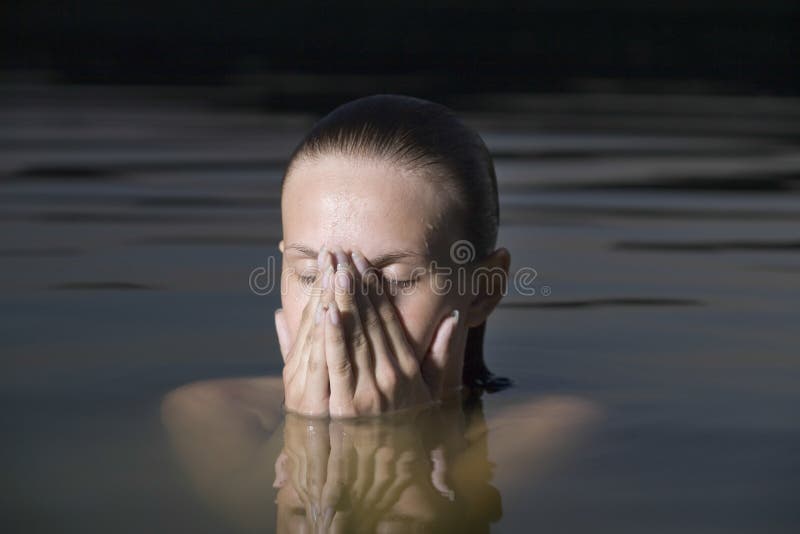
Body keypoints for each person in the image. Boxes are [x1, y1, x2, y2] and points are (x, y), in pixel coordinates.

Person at [161, 95, 601, 532]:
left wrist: (391, 429)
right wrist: (304, 424)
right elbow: (249, 519)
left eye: (393, 279)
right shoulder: (212, 408)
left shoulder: (547, 425)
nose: (341, 308)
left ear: (484, 290)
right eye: (312, 273)